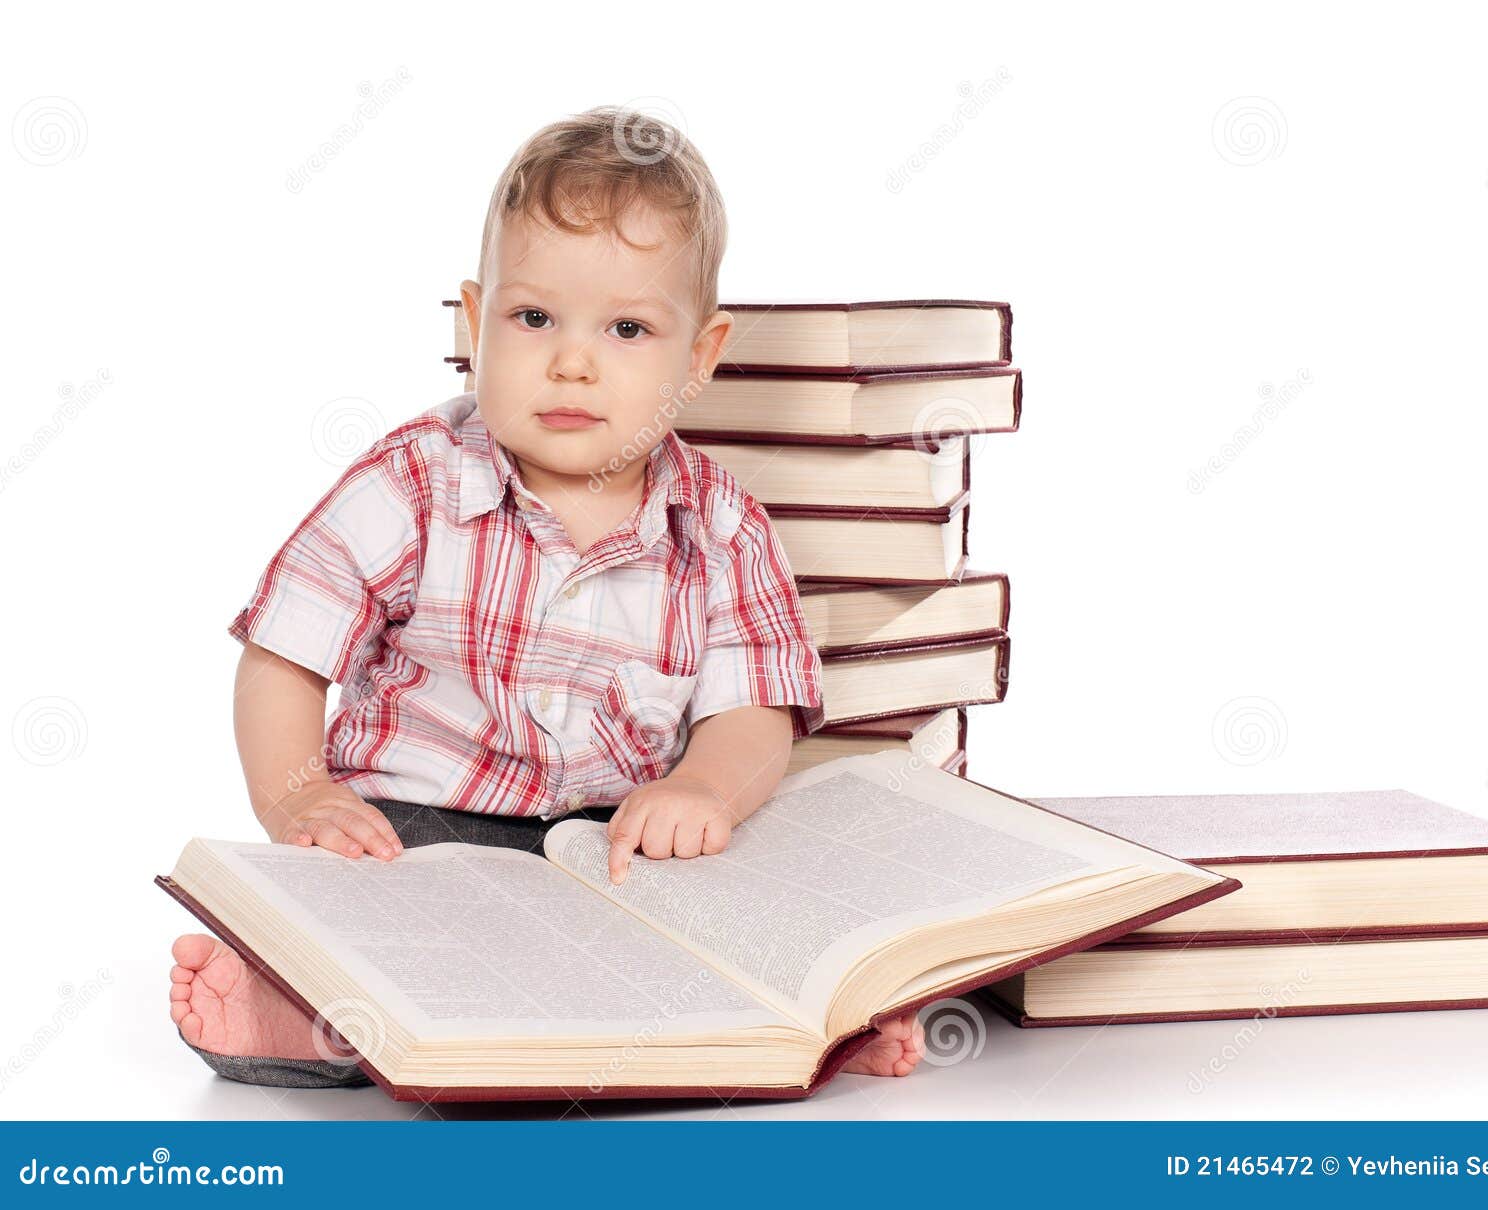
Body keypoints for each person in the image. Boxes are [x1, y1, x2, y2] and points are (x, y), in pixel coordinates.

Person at [167, 107, 926, 1088]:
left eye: (627, 328)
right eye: (533, 319)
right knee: (367, 913)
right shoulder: (413, 481)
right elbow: (284, 652)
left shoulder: (722, 523)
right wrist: (301, 793)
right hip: (424, 818)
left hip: (618, 835)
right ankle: (297, 1009)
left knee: (723, 904)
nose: (572, 359)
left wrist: (701, 788)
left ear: (699, 355)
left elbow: (752, 711)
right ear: (473, 324)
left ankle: (808, 1025)